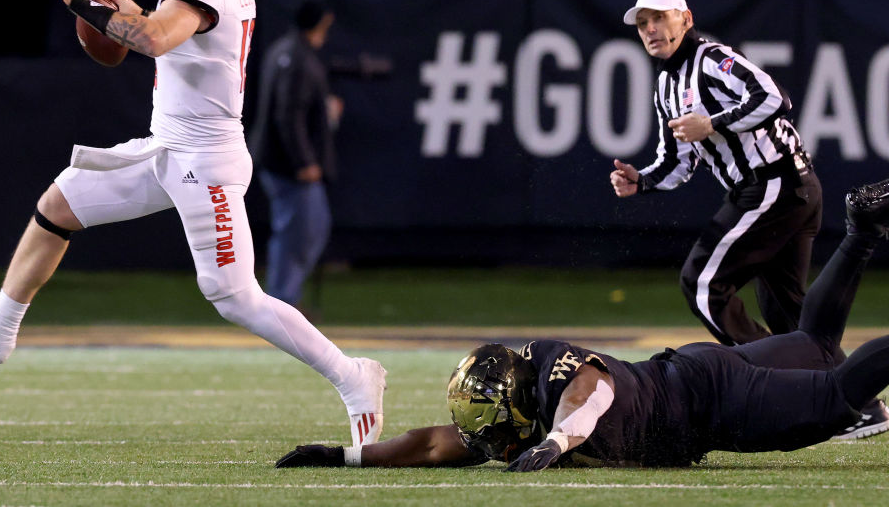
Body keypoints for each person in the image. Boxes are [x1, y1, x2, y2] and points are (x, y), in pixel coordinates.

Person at [0, 0, 386, 449]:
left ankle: (353, 375)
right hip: (164, 147)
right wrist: (115, 13)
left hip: (203, 159)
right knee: (58, 203)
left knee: (235, 297)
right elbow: (146, 33)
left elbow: (152, 39)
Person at [275, 179, 889, 470]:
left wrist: (555, 442)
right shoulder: (516, 404)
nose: (488, 441)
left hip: (713, 401)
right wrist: (343, 456)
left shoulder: (555, 382)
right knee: (816, 344)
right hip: (695, 371)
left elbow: (591, 393)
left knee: (840, 398)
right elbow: (435, 441)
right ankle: (860, 230)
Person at [610, 0, 822, 346]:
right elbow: (677, 160)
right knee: (790, 321)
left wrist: (711, 124)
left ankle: (766, 372)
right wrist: (641, 180)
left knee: (703, 283)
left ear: (686, 19)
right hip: (786, 189)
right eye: (643, 23)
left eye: (660, 18)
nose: (650, 29)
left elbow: (775, 98)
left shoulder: (712, 58)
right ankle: (857, 400)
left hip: (774, 183)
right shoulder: (666, 84)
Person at [248, 0, 340, 310]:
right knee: (300, 231)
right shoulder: (297, 57)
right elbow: (288, 115)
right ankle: (282, 304)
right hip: (287, 165)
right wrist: (304, 161)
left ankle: (284, 300)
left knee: (305, 228)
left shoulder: (284, 50)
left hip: (279, 161)